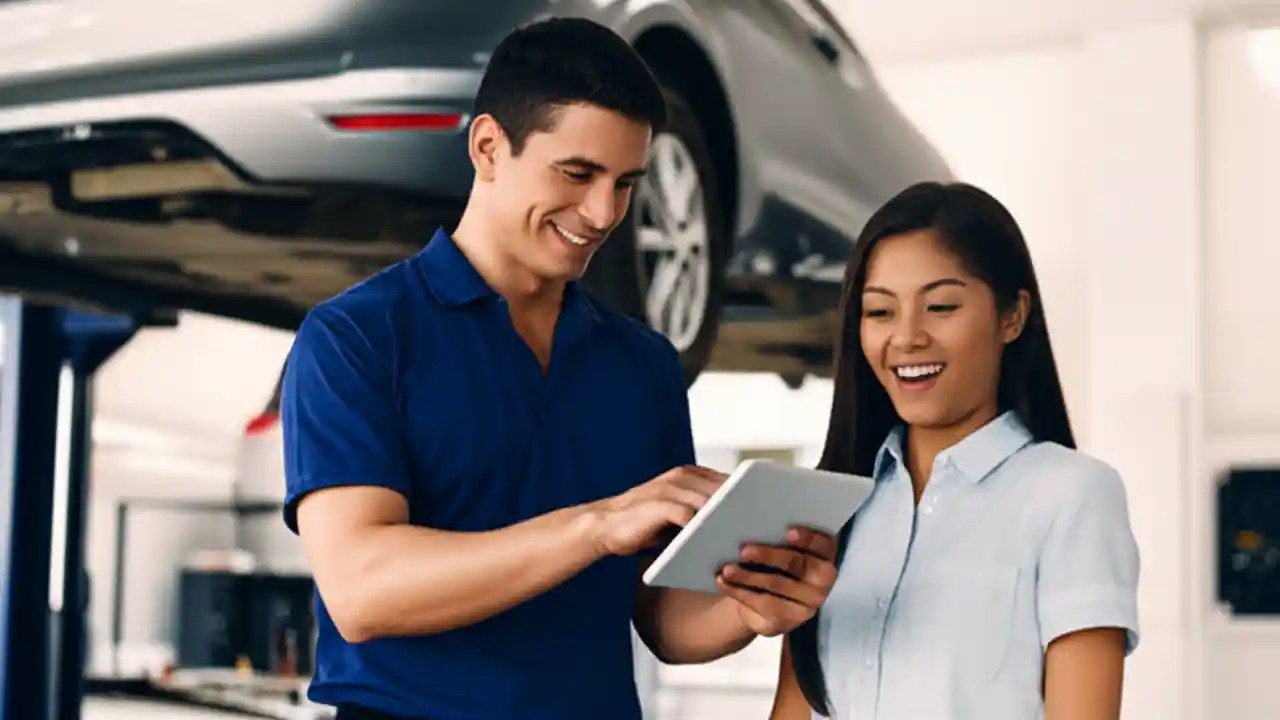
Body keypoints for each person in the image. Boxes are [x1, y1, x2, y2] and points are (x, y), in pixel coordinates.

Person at [279, 17, 840, 720]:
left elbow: (661, 618)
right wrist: (597, 525)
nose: (603, 212)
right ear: (488, 146)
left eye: (626, 183)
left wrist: (755, 606)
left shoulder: (643, 365)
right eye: (577, 174)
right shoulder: (358, 338)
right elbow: (363, 591)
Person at [768, 182, 1141, 719]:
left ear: (1012, 317)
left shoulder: (1071, 494)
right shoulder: (828, 502)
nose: (907, 337)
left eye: (940, 306)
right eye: (879, 312)